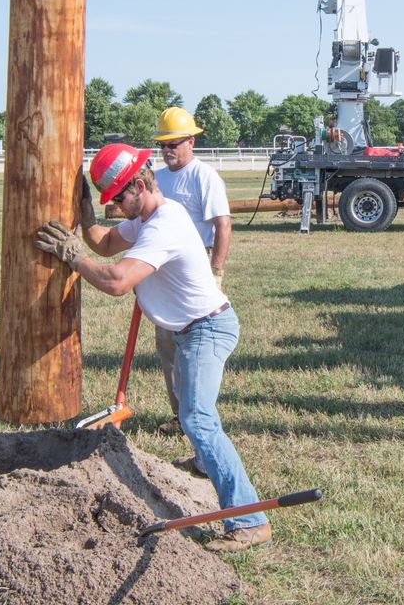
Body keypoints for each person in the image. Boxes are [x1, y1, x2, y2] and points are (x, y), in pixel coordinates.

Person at [35, 143, 269, 552]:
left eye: (119, 198)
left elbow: (116, 281)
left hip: (207, 329)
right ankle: (203, 464)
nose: (118, 207)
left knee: (196, 419)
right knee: (194, 415)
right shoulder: (148, 216)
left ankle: (250, 520)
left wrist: (72, 257)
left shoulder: (163, 225)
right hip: (189, 329)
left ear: (140, 185)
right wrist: (86, 216)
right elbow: (106, 243)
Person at [150, 106, 232, 437]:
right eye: (163, 145)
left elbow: (223, 225)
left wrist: (216, 271)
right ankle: (180, 416)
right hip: (165, 272)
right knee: (166, 344)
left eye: (174, 143)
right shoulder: (156, 179)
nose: (168, 150)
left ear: (191, 142)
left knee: (194, 348)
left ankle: (198, 417)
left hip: (197, 268)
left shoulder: (204, 176)